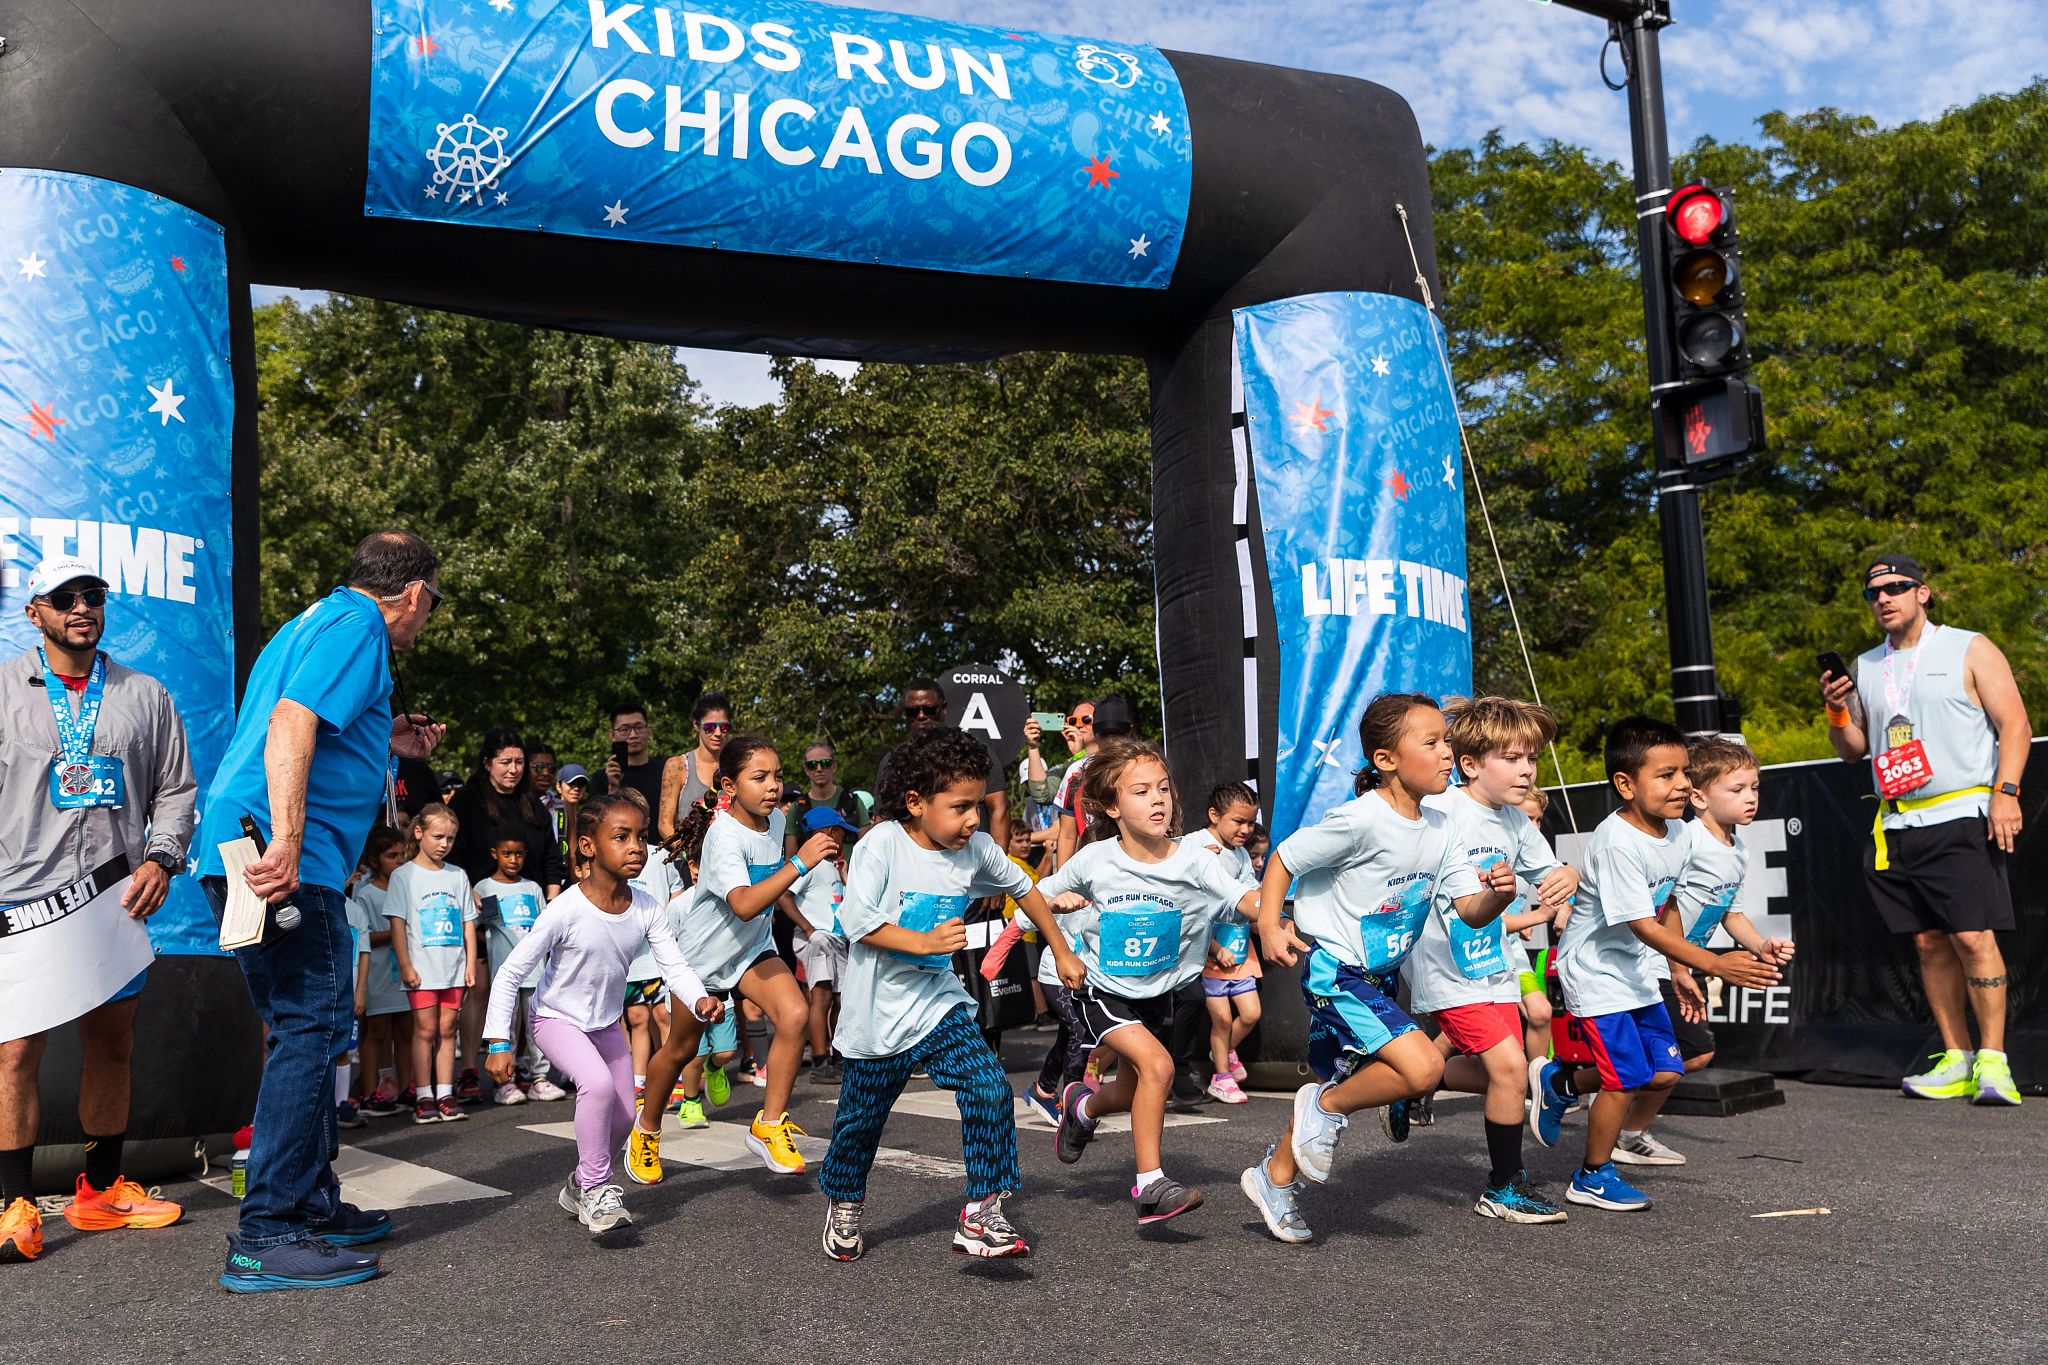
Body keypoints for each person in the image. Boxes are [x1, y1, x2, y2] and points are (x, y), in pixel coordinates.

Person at [195, 528, 446, 1291]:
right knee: (311, 1030)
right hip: (279, 854)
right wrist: (292, 842)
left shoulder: (318, 617)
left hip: (247, 842)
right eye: (433, 602)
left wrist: (388, 740)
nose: (428, 616)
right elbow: (291, 725)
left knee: (307, 1028)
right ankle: (267, 1232)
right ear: (411, 592)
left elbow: (304, 720)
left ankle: (308, 1202)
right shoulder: (363, 625)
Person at [1238, 693, 1517, 1245]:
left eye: (1447, 741)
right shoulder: (1360, 820)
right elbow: (1286, 858)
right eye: (1432, 742)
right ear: (1387, 759)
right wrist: (1270, 924)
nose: (1446, 753)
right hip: (1336, 972)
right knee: (1419, 1070)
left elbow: (1469, 909)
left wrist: (1499, 897)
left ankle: (1273, 1178)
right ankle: (1325, 1110)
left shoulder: (1442, 827)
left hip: (1380, 976)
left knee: (1342, 1079)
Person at [818, 725, 1083, 1262]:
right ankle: (845, 1199)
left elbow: (1024, 888)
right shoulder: (882, 845)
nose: (973, 820)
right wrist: (923, 940)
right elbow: (856, 922)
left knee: (987, 1086)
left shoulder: (977, 849)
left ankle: (982, 1212)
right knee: (859, 1124)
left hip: (938, 1001)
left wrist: (1061, 948)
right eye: (959, 807)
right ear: (915, 803)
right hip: (876, 1016)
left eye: (978, 806)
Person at [1, 556, 197, 1265]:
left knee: (112, 1042)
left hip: (115, 894)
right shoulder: (3, 689)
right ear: (36, 611)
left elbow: (177, 788)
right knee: (16, 1051)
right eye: (65, 598)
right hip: (21, 896)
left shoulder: (143, 693)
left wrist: (162, 856)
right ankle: (12, 1203)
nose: (81, 607)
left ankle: (102, 1187)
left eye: (93, 595)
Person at [1528, 717, 1781, 1214]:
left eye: (1685, 773)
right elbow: (1644, 925)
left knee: (1663, 1073)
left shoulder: (1680, 835)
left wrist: (1680, 970)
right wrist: (1716, 964)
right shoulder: (1617, 842)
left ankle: (1559, 1083)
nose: (1682, 784)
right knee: (1623, 1078)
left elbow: (1666, 907)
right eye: (1666, 775)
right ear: (1626, 784)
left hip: (1639, 971)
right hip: (1597, 971)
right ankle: (1592, 1175)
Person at [1822, 553, 2029, 1105]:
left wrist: (2005, 794)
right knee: (1927, 941)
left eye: (1896, 587)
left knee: (1971, 936)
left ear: (1924, 593)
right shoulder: (1866, 666)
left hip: (1960, 810)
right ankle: (1956, 1057)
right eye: (1874, 593)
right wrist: (1838, 712)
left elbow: (2016, 724)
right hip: (1896, 820)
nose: (1884, 598)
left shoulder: (1969, 646)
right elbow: (1853, 753)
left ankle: (1994, 1062)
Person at [1037, 739, 1261, 1226]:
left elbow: (1241, 896)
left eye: (1163, 788)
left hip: (1159, 994)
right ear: (1113, 806)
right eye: (1141, 791)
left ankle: (1082, 1105)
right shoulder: (1094, 860)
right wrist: (1056, 917)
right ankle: (1150, 1185)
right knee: (1159, 1066)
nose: (1158, 799)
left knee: (1134, 1087)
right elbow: (1037, 897)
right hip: (1102, 989)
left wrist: (1273, 918)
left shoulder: (1196, 858)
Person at [482, 793, 721, 1237]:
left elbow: (675, 966)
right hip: (555, 1019)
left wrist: (700, 998)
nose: (636, 847)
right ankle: (596, 1187)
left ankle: (578, 1184)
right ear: (588, 847)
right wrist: (498, 1042)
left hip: (605, 1024)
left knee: (627, 1116)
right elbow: (511, 971)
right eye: (621, 837)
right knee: (595, 1086)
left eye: (642, 838)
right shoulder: (566, 908)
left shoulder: (647, 906)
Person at [625, 738, 833, 1183]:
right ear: (729, 785)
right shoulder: (722, 835)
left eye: (776, 775)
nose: (773, 786)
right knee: (680, 1050)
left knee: (794, 1013)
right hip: (701, 959)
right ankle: (646, 1130)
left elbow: (757, 909)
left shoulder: (776, 821)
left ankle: (769, 1123)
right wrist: (799, 863)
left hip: (753, 949)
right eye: (759, 778)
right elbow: (742, 903)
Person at [1408, 697, 1578, 1224]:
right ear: (1471, 764)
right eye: (1513, 757)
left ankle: (1416, 1082)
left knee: (1501, 1078)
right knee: (1510, 1068)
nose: (1527, 769)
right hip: (1442, 966)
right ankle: (1503, 1186)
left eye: (1532, 758)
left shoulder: (1516, 823)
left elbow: (1551, 875)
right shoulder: (1442, 811)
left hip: (1493, 967)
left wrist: (1568, 878)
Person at [1616, 736, 1796, 1165]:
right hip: (1651, 964)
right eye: (1736, 790)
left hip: (1681, 966)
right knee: (1681, 1057)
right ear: (1698, 796)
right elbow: (1669, 906)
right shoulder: (1687, 840)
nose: (1750, 798)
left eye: (1754, 787)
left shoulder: (1738, 851)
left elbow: (1729, 914)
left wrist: (1760, 945)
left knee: (1688, 1057)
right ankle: (1600, 1103)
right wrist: (1678, 968)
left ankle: (1624, 1124)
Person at [447, 730, 563, 1101]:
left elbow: (549, 857)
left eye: (519, 763)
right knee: (481, 989)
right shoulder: (467, 801)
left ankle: (531, 1070)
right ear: (487, 763)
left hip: (527, 909)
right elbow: (453, 852)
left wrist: (552, 896)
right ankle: (469, 1069)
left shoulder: (533, 802)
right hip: (477, 904)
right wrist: (468, 892)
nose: (514, 770)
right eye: (505, 762)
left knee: (531, 995)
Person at [385, 804, 477, 1125]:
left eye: (450, 839)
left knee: (447, 1029)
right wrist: (406, 965)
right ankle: (423, 1094)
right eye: (438, 836)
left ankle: (445, 1092)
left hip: (453, 969)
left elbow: (467, 923)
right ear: (420, 833)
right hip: (421, 971)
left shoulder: (458, 875)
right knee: (424, 1030)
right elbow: (397, 925)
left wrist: (469, 965)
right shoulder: (403, 875)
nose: (444, 844)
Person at [472, 825, 558, 1105]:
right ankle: (504, 1084)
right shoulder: (484, 887)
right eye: (507, 853)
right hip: (503, 973)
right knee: (505, 1027)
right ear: (495, 854)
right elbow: (473, 927)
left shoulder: (532, 887)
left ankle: (539, 1079)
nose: (513, 859)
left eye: (519, 854)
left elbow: (545, 927)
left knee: (536, 1027)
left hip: (536, 973)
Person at [1195, 782, 1263, 1104]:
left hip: (1239, 948)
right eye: (1238, 821)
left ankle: (1222, 1050)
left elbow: (1251, 893)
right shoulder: (1195, 846)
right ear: (1214, 815)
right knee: (1220, 1018)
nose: (1246, 830)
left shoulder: (1241, 856)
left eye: (1250, 822)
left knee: (1250, 1014)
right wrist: (1214, 948)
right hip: (1208, 949)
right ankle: (1221, 1077)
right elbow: (1192, 908)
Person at [790, 807, 856, 1087]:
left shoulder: (829, 866)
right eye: (841, 832)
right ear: (830, 832)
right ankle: (820, 1060)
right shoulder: (811, 864)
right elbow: (782, 894)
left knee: (841, 999)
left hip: (836, 940)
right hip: (819, 939)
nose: (844, 838)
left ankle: (839, 1056)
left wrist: (843, 876)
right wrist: (808, 929)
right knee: (822, 999)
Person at [354, 827, 415, 1117]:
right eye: (392, 856)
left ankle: (406, 1088)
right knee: (376, 1032)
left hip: (405, 973)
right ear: (375, 861)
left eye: (402, 854)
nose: (399, 860)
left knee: (405, 1031)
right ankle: (370, 1092)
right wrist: (397, 930)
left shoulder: (408, 888)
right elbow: (363, 936)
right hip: (378, 973)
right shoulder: (366, 894)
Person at [658, 691, 732, 842]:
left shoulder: (736, 766)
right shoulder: (678, 766)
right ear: (696, 726)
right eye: (710, 727)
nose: (717, 733)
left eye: (724, 727)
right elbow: (665, 825)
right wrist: (690, 857)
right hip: (687, 860)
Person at [600, 700, 664, 816]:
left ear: (648, 730)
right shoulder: (602, 779)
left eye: (639, 727)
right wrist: (613, 788)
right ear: (612, 735)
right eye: (624, 729)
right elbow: (599, 823)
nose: (633, 735)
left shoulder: (666, 772)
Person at [785, 740, 843, 855]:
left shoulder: (853, 802)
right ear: (806, 770)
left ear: (834, 766)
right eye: (812, 765)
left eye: (825, 763)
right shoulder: (796, 808)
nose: (819, 768)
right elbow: (790, 861)